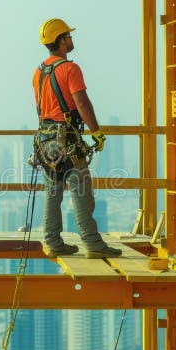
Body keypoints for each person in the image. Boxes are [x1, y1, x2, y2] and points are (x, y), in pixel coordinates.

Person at [32, 18, 122, 259]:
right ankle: (93, 244)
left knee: (53, 191)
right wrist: (96, 132)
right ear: (60, 40)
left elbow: (40, 108)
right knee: (81, 191)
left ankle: (53, 242)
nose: (71, 39)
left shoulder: (38, 72)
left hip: (46, 139)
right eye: (68, 36)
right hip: (68, 138)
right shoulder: (70, 69)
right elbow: (81, 102)